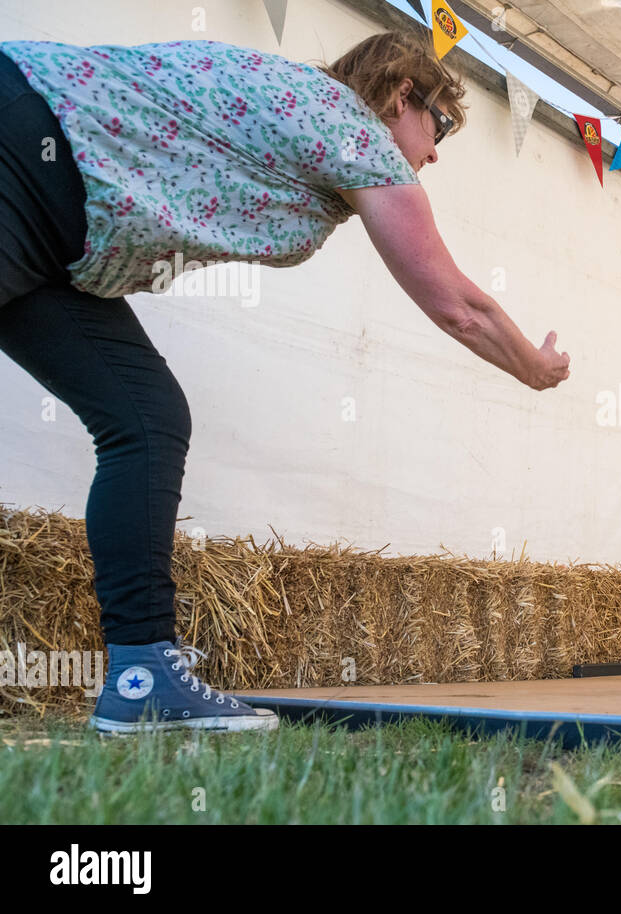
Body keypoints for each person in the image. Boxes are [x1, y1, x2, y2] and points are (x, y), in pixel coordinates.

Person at [0, 30, 570, 733]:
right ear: (400, 97)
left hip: (61, 238)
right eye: (440, 122)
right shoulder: (353, 129)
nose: (436, 149)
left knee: (147, 417)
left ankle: (142, 678)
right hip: (25, 146)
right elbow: (460, 308)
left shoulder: (306, 117)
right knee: (144, 419)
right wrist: (536, 369)